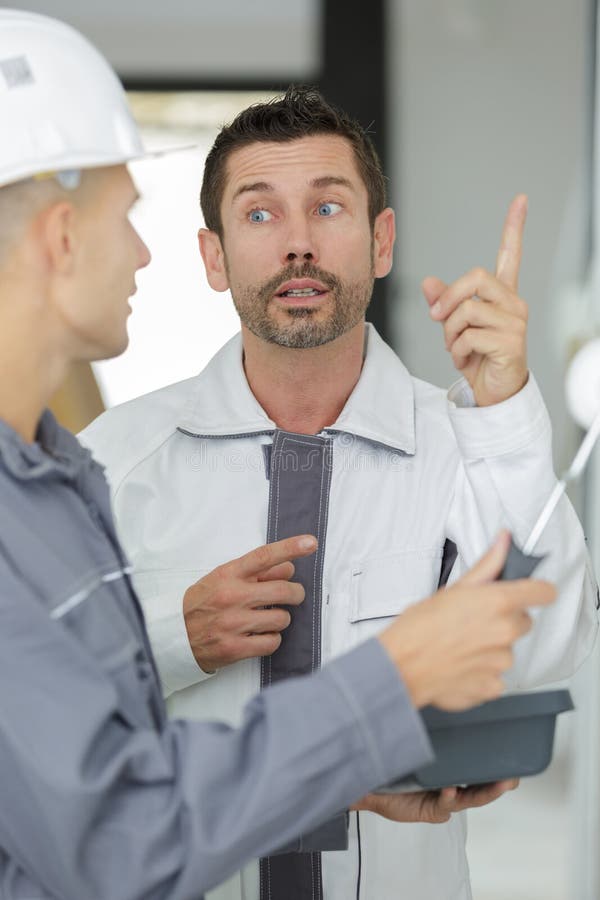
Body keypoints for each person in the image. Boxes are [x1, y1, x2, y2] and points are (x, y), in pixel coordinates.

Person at [0, 11, 557, 900]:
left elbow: (546, 654)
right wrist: (179, 638)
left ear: (380, 240)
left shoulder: (475, 439)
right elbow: (109, 821)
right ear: (214, 257)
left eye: (328, 207)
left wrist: (508, 410)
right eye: (260, 213)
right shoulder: (106, 466)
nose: (298, 241)